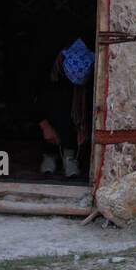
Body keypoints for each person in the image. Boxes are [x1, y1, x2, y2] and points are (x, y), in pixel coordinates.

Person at [40, 38, 95, 178]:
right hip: (51, 127)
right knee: (58, 105)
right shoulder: (50, 77)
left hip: (71, 133)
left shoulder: (88, 83)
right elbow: (32, 100)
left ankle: (69, 157)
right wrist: (44, 125)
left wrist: (86, 129)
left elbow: (88, 109)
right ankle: (50, 156)